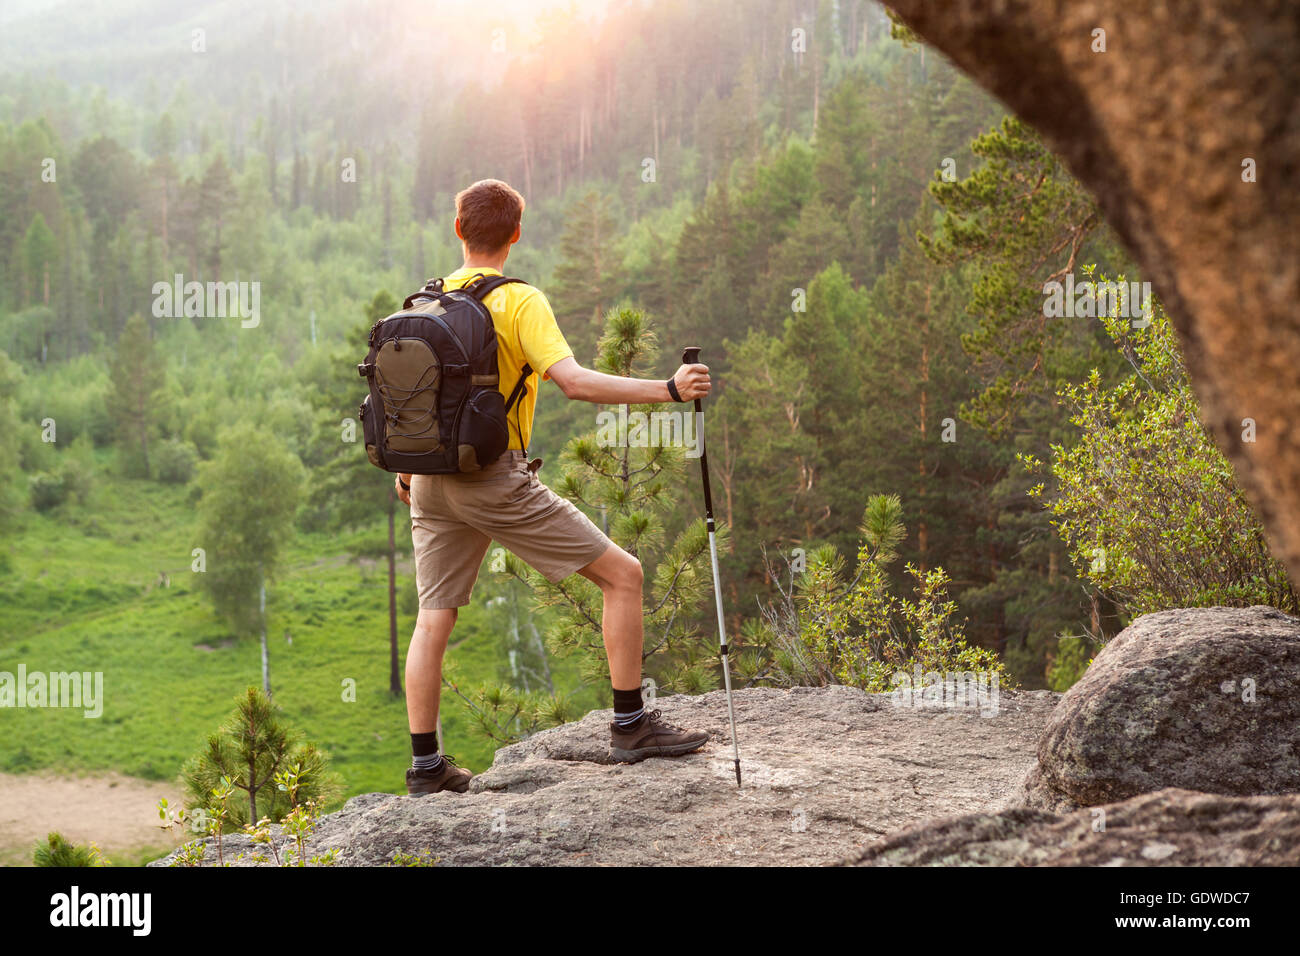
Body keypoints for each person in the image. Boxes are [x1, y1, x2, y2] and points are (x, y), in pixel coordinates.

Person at [398, 179, 712, 795]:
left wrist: (408, 471)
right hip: (493, 477)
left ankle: (426, 768)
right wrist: (668, 391)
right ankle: (629, 725)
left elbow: (407, 399)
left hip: (428, 480)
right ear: (515, 235)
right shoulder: (520, 301)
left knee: (433, 617)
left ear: (458, 229)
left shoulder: (421, 304)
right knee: (624, 575)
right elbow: (573, 382)